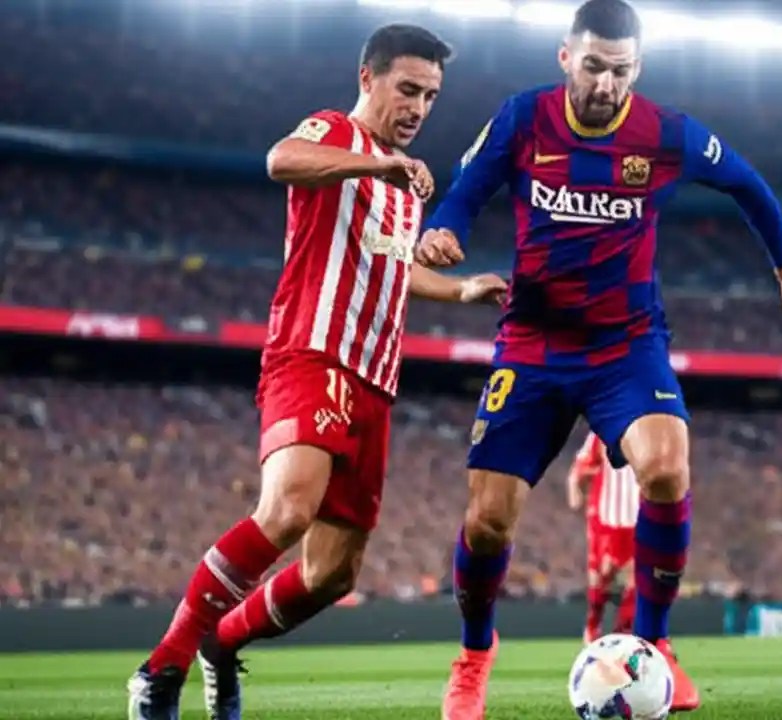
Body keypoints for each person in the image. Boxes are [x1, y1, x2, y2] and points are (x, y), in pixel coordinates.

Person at [416, 0, 782, 716]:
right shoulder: (522, 118)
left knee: (667, 468)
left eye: (624, 71)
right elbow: (466, 192)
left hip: (626, 344)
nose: (608, 84)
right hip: (534, 344)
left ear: (639, 68)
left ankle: (656, 643)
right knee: (488, 522)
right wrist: (444, 232)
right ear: (566, 58)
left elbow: (748, 185)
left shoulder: (668, 133)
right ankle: (474, 656)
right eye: (596, 66)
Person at [126, 24, 507, 720]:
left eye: (429, 95)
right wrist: (374, 166)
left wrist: (460, 290)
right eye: (407, 89)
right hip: (311, 353)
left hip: (375, 381)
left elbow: (393, 267)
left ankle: (220, 644)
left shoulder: (405, 186)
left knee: (333, 575)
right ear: (369, 79)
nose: (419, 107)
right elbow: (281, 158)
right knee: (288, 509)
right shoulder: (339, 134)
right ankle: (161, 669)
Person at [568, 431, 641, 643]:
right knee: (601, 576)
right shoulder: (600, 434)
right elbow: (580, 466)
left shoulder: (647, 429)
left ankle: (623, 633)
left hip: (637, 519)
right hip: (606, 519)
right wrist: (576, 489)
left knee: (635, 578)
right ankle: (593, 625)